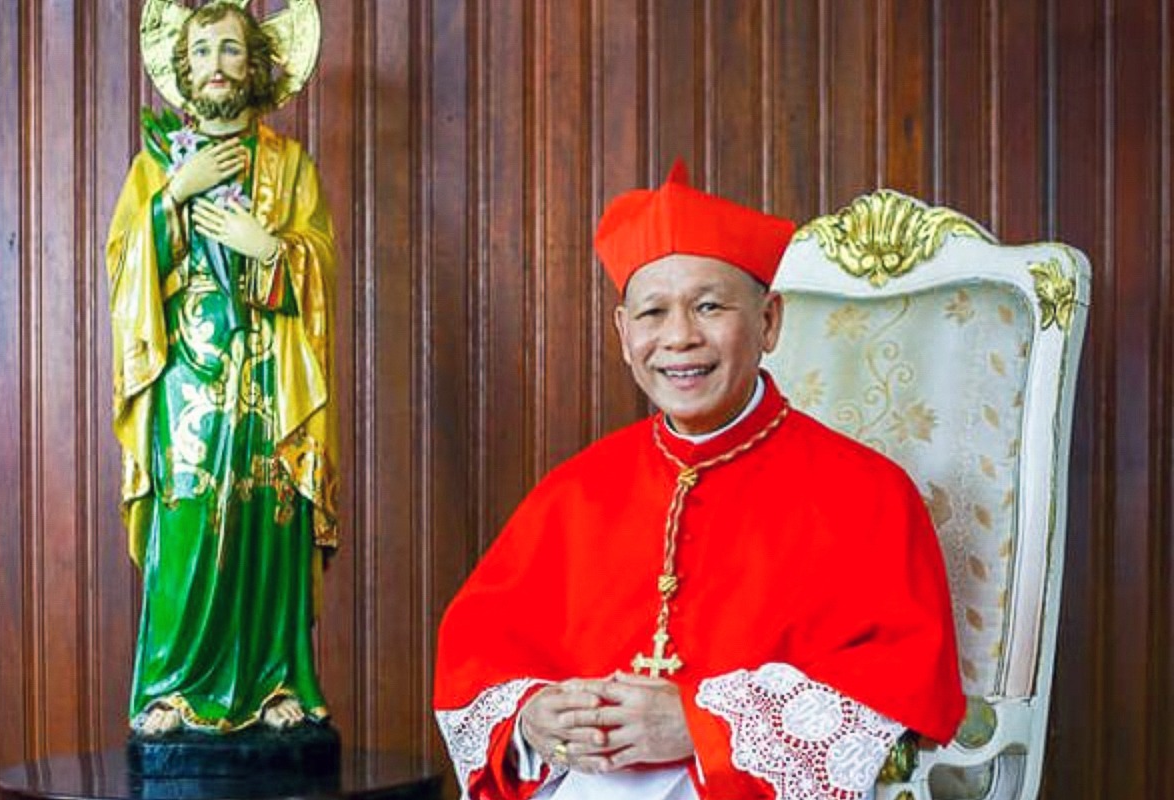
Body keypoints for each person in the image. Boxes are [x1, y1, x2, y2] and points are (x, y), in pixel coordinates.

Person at [433, 161, 965, 799]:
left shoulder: (867, 493)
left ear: (769, 321)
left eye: (709, 306)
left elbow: (899, 682)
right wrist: (530, 719)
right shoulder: (575, 491)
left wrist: (701, 725)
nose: (680, 338)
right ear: (623, 334)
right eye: (653, 312)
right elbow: (480, 657)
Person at [106, 0, 337, 736]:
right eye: (202, 51)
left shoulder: (290, 165)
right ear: (182, 68)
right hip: (186, 385)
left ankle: (274, 682)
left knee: (269, 520)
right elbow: (123, 268)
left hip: (269, 378)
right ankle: (170, 686)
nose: (216, 66)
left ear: (257, 67)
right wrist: (176, 193)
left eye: (232, 51)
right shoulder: (154, 164)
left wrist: (269, 247)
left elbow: (322, 261)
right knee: (190, 521)